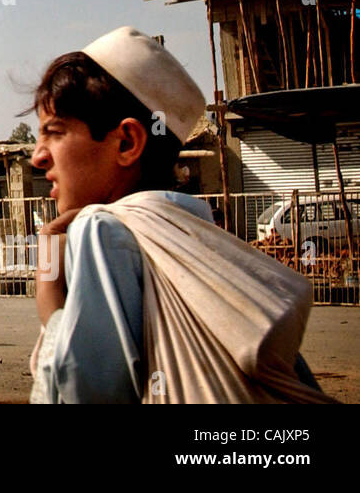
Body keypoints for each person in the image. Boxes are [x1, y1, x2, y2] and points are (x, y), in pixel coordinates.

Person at [27, 26, 327, 403]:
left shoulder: (100, 228)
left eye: (54, 132)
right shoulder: (197, 228)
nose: (38, 157)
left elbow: (86, 390)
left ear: (127, 142)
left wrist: (50, 301)